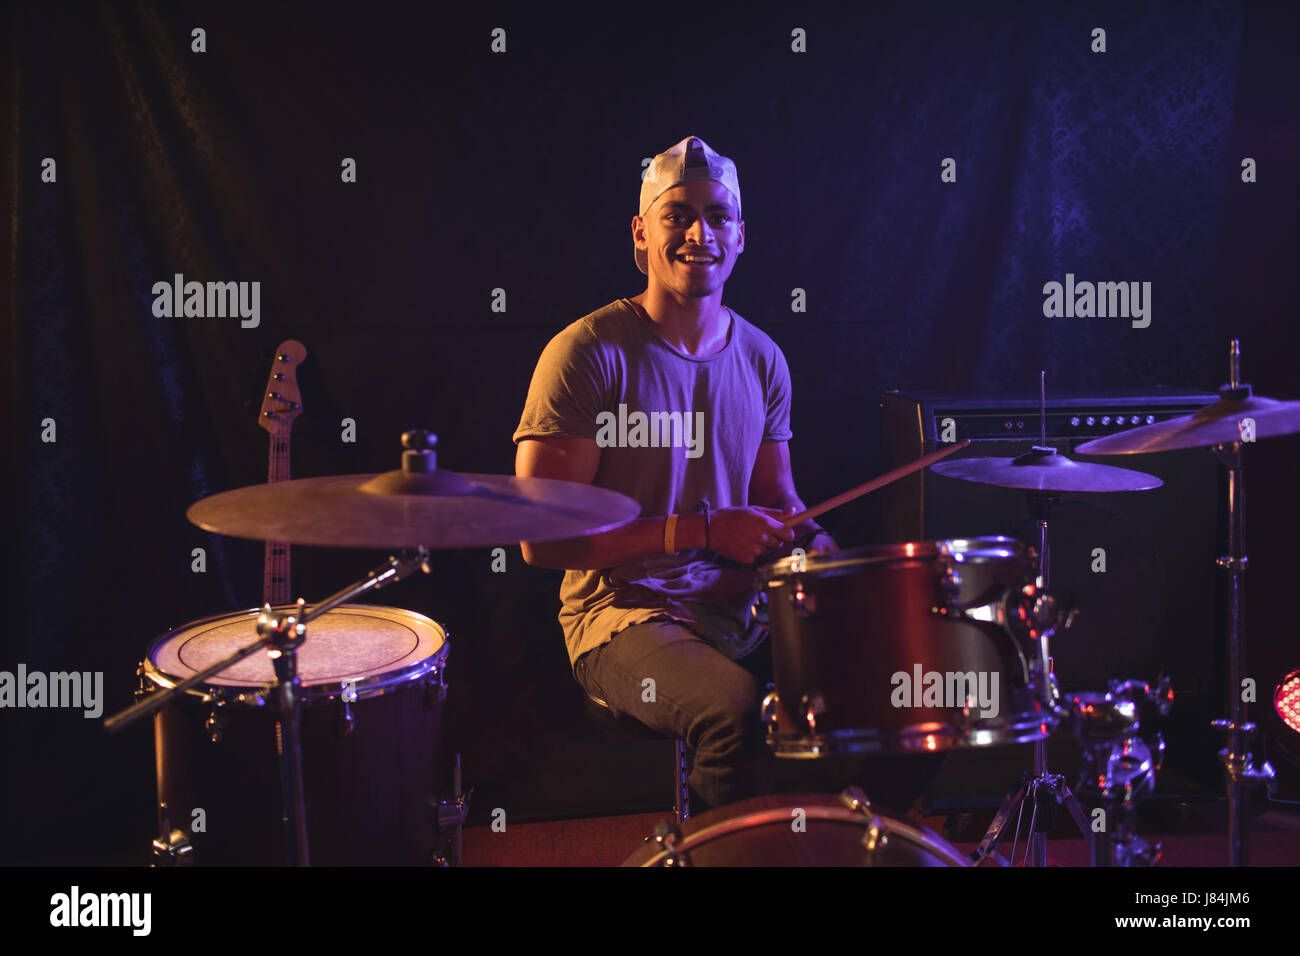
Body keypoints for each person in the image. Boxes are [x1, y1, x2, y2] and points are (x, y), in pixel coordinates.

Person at [513, 135, 836, 812]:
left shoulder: (762, 357)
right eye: (678, 215)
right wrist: (700, 530)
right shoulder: (586, 353)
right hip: (623, 614)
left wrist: (813, 543)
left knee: (906, 675)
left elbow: (776, 496)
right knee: (735, 714)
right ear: (641, 232)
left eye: (717, 217)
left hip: (737, 605)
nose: (700, 234)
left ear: (740, 236)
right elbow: (541, 542)